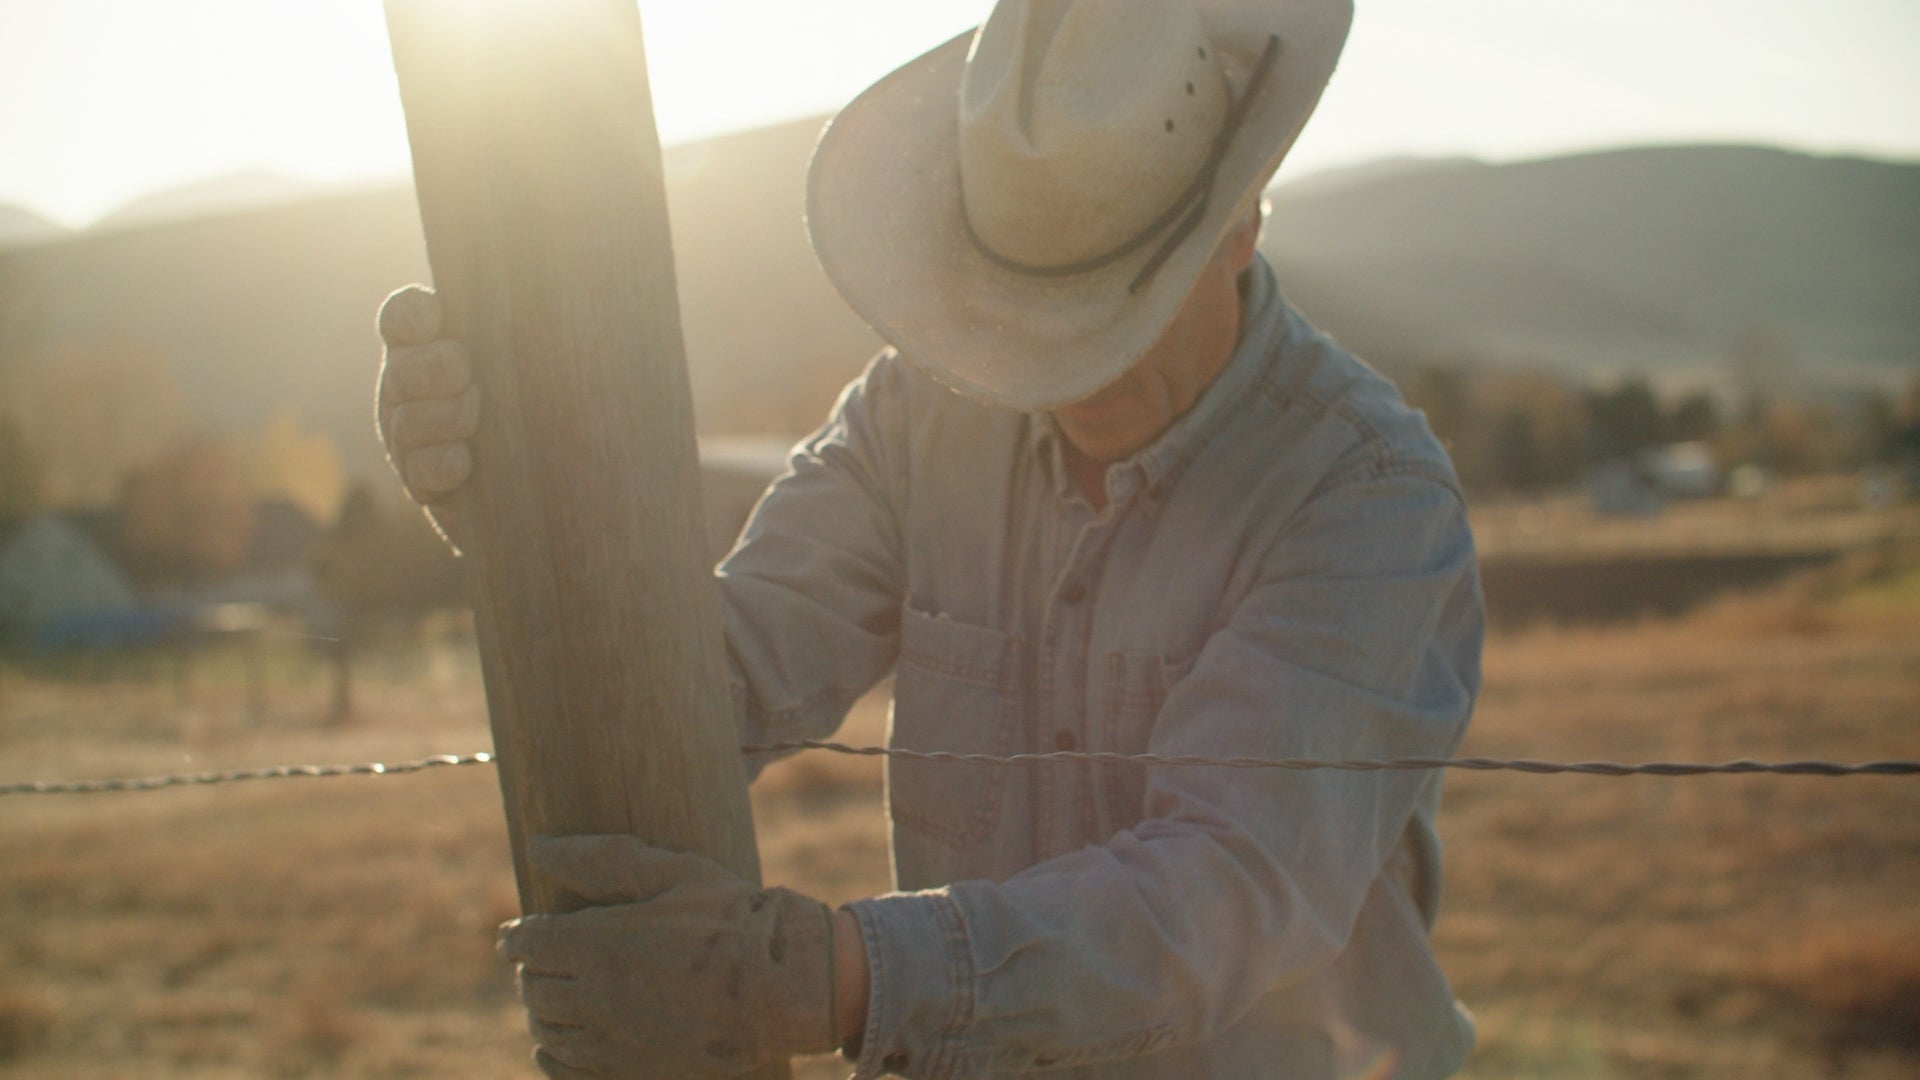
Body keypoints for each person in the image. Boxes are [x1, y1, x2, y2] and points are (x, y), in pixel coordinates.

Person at [376, 1, 1483, 1076]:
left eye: (1110, 309)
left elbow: (1229, 888)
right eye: (1030, 308)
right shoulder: (920, 418)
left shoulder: (1367, 497)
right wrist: (519, 528)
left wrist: (834, 980)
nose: (1064, 368)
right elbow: (724, 677)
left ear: (1241, 220)